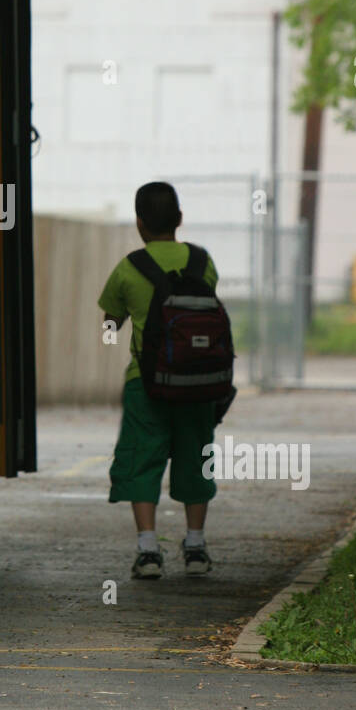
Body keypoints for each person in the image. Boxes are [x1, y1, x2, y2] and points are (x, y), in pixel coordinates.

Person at [98, 182, 218, 579]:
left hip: (145, 383)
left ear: (139, 223)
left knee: (142, 460)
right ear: (179, 220)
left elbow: (111, 323)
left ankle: (148, 551)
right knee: (195, 457)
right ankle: (196, 546)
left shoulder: (130, 267)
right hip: (199, 384)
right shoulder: (203, 262)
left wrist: (114, 331)